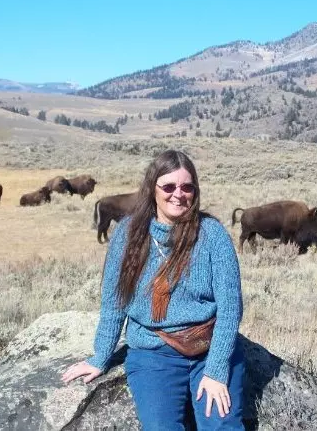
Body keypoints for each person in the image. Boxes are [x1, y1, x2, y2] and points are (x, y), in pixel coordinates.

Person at [62, 150, 244, 430]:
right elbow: (114, 303)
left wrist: (217, 370)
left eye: (187, 187)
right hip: (154, 353)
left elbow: (230, 308)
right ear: (153, 189)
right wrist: (100, 357)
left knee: (222, 426)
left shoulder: (212, 235)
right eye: (168, 186)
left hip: (208, 347)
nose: (178, 194)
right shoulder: (128, 234)